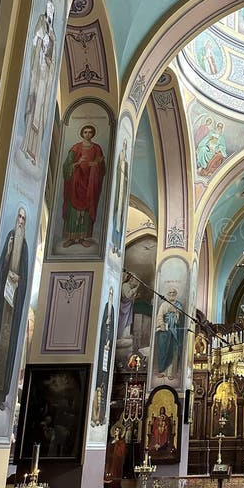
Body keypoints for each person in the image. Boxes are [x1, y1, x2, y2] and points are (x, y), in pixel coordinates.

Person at [0, 207, 29, 410]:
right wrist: (8, 252)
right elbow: (1, 268)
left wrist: (19, 279)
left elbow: (25, 276)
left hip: (14, 304)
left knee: (8, 349)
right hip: (2, 303)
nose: (20, 221)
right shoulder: (10, 238)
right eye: (19, 216)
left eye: (23, 218)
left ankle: (1, 395)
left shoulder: (25, 246)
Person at [21, 0, 57, 166]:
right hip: (38, 73)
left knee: (41, 112)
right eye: (48, 8)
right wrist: (41, 50)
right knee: (33, 107)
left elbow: (53, 59)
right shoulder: (41, 22)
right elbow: (36, 41)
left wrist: (49, 61)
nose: (50, 11)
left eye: (52, 10)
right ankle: (26, 145)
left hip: (45, 78)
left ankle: (34, 152)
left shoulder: (53, 34)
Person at [62, 124, 106, 247]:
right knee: (73, 210)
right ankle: (71, 238)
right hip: (76, 183)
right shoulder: (76, 148)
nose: (87, 134)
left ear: (93, 134)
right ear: (82, 133)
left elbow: (102, 168)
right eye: (85, 132)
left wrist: (96, 166)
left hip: (89, 184)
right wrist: (77, 163)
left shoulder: (97, 148)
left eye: (90, 132)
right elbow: (66, 166)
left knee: (86, 210)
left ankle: (82, 238)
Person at [92, 287, 115, 427]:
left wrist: (108, 343)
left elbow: (110, 332)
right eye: (110, 294)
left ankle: (100, 417)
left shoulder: (112, 313)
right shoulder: (106, 308)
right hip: (102, 351)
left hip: (107, 350)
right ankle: (95, 416)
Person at [154, 286, 184, 381]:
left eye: (173, 293)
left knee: (173, 350)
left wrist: (176, 314)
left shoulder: (179, 305)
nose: (171, 294)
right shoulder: (164, 305)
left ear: (176, 294)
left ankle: (171, 373)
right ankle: (162, 371)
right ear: (167, 294)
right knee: (163, 350)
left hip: (174, 331)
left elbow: (181, 318)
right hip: (165, 331)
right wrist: (161, 324)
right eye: (170, 293)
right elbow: (160, 316)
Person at [111, 138, 129, 254]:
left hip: (123, 188)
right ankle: (114, 243)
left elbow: (126, 174)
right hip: (119, 188)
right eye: (124, 144)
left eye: (126, 144)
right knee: (116, 217)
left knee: (121, 219)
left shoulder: (126, 157)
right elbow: (119, 169)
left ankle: (118, 245)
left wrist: (125, 178)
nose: (125, 146)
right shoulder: (120, 156)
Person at [117, 272, 139, 340]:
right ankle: (119, 335)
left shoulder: (129, 286)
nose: (136, 280)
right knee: (123, 321)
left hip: (128, 306)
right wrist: (136, 288)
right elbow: (128, 295)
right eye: (135, 279)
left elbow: (131, 297)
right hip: (124, 306)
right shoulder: (125, 285)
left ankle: (124, 335)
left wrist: (135, 296)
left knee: (127, 320)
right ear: (130, 279)